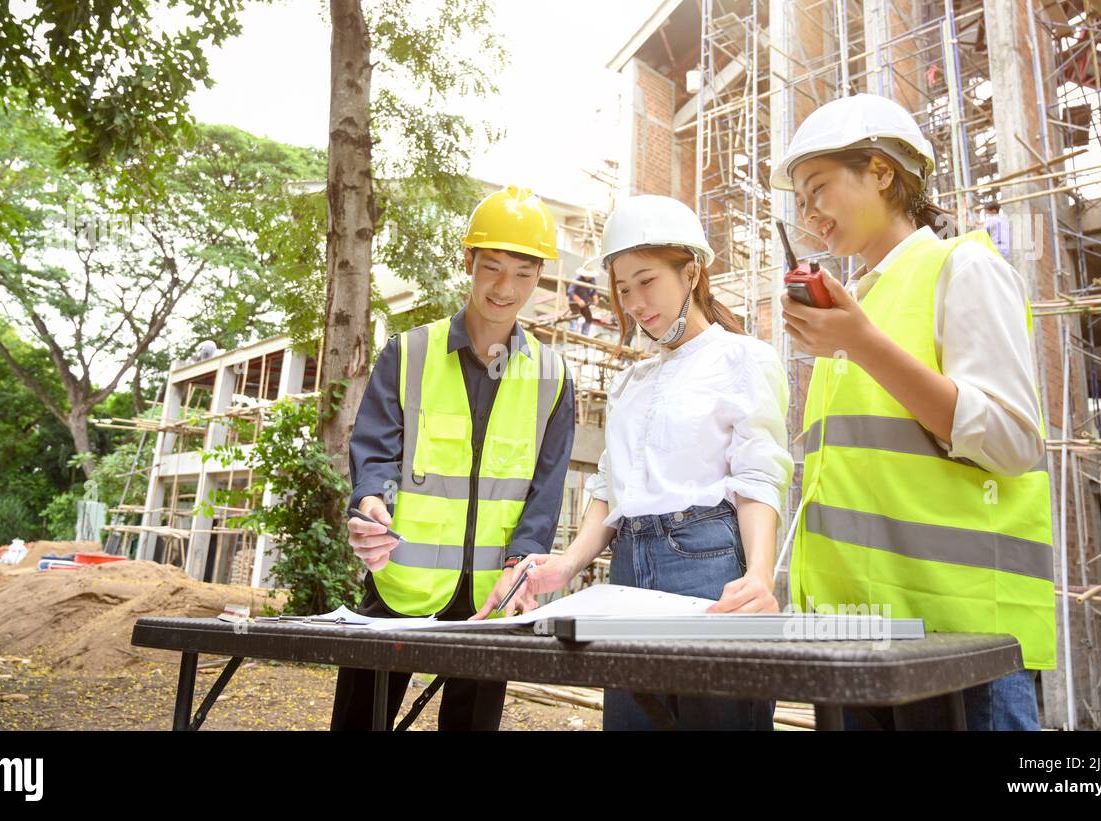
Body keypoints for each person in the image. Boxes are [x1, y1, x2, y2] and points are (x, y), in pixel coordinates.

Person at [771, 92, 1056, 730]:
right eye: (799, 202)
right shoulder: (853, 310)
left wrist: (863, 344)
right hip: (856, 636)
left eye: (818, 188)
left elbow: (1013, 440)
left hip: (961, 641)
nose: (809, 214)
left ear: (881, 171)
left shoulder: (965, 267)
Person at [486, 195, 794, 730]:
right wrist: (565, 565)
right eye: (623, 289)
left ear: (692, 271)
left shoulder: (744, 358)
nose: (635, 303)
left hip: (708, 564)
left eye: (647, 282)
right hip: (628, 568)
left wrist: (760, 576)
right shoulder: (631, 382)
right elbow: (609, 490)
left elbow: (757, 477)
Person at [333, 185, 576, 731]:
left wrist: (526, 557)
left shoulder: (553, 377)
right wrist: (372, 500)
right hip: (402, 583)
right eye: (491, 267)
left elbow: (546, 487)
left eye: (522, 273)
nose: (504, 288)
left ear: (539, 277)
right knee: (358, 720)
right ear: (468, 261)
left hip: (493, 591)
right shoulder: (409, 353)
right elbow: (377, 455)